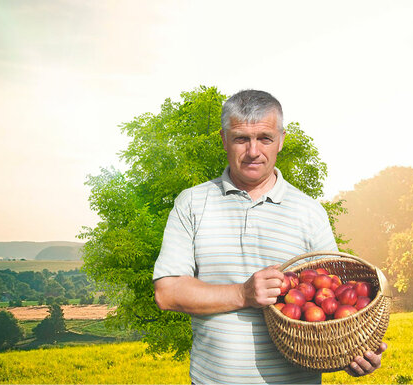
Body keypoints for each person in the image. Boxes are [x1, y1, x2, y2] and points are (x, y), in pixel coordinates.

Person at [152, 89, 386, 384]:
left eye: (265, 138)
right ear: (224, 140)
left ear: (281, 140)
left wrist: (352, 352)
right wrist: (243, 294)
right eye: (241, 139)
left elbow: (336, 304)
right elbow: (167, 293)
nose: (253, 151)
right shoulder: (192, 203)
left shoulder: (310, 212)